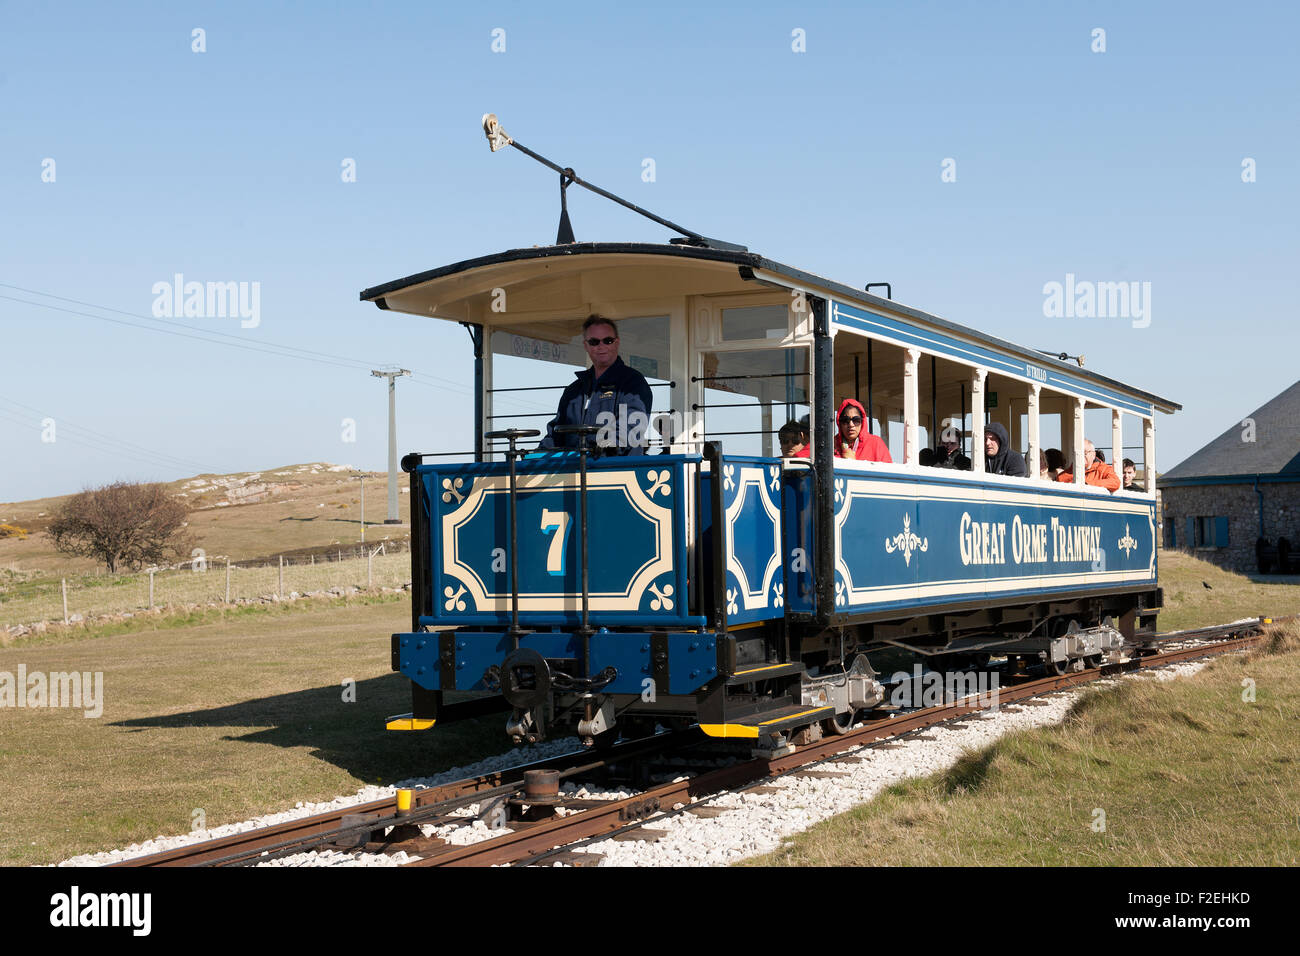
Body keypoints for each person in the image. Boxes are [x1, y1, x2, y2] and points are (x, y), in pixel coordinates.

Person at [538, 315, 653, 455]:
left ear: (616, 343)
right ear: (586, 345)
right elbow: (556, 434)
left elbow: (631, 428)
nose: (601, 346)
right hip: (573, 470)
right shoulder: (573, 390)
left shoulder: (633, 383)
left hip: (618, 470)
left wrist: (596, 449)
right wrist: (536, 456)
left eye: (608, 340)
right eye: (594, 342)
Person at [1056, 439, 1121, 492]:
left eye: (1085, 453)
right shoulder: (1062, 476)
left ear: (1093, 455)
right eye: (1078, 454)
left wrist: (1088, 484)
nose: (1081, 456)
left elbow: (1115, 483)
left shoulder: (1104, 469)